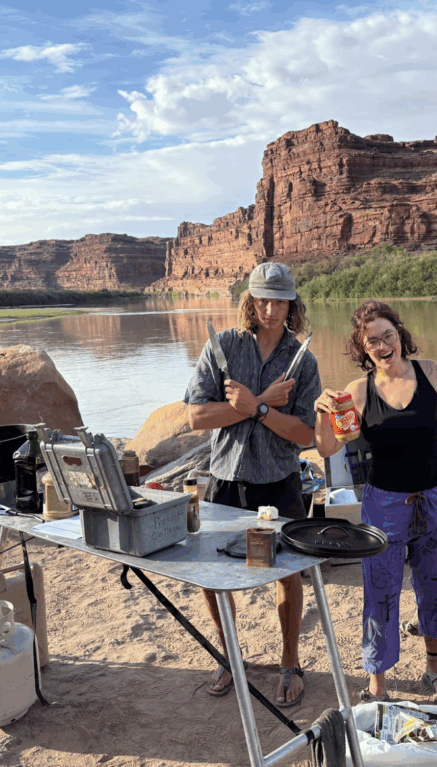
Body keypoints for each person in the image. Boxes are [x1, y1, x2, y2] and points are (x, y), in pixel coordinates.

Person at [314, 300, 437, 704]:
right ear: (362, 350)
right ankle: (378, 684)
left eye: (388, 336)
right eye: (372, 342)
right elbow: (328, 447)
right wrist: (321, 415)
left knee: (436, 585)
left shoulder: (432, 373)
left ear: (400, 335)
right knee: (380, 591)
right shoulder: (357, 392)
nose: (382, 346)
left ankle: (434, 668)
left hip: (436, 498)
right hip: (383, 505)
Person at [183, 261, 321, 707]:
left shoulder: (303, 359)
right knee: (211, 574)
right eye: (263, 298)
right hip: (225, 478)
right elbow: (196, 417)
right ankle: (229, 657)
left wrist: (257, 409)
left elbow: (306, 436)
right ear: (250, 300)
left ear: (291, 303)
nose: (270, 308)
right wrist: (262, 401)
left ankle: (289, 661)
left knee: (288, 573)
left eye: (279, 300)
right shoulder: (222, 346)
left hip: (279, 480)